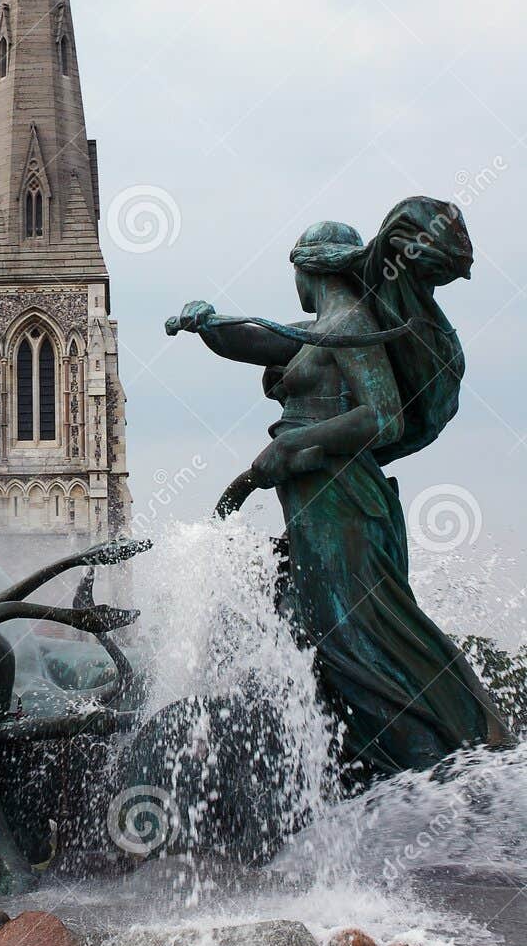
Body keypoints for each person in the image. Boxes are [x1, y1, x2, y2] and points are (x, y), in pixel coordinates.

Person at [168, 197, 510, 779]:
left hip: (344, 506)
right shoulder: (322, 331)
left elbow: (384, 419)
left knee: (360, 643)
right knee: (318, 632)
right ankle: (362, 764)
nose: (294, 284)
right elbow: (259, 339)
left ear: (309, 268)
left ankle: (442, 766)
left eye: (295, 272)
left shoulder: (350, 326)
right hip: (317, 506)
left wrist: (292, 447)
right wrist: (208, 325)